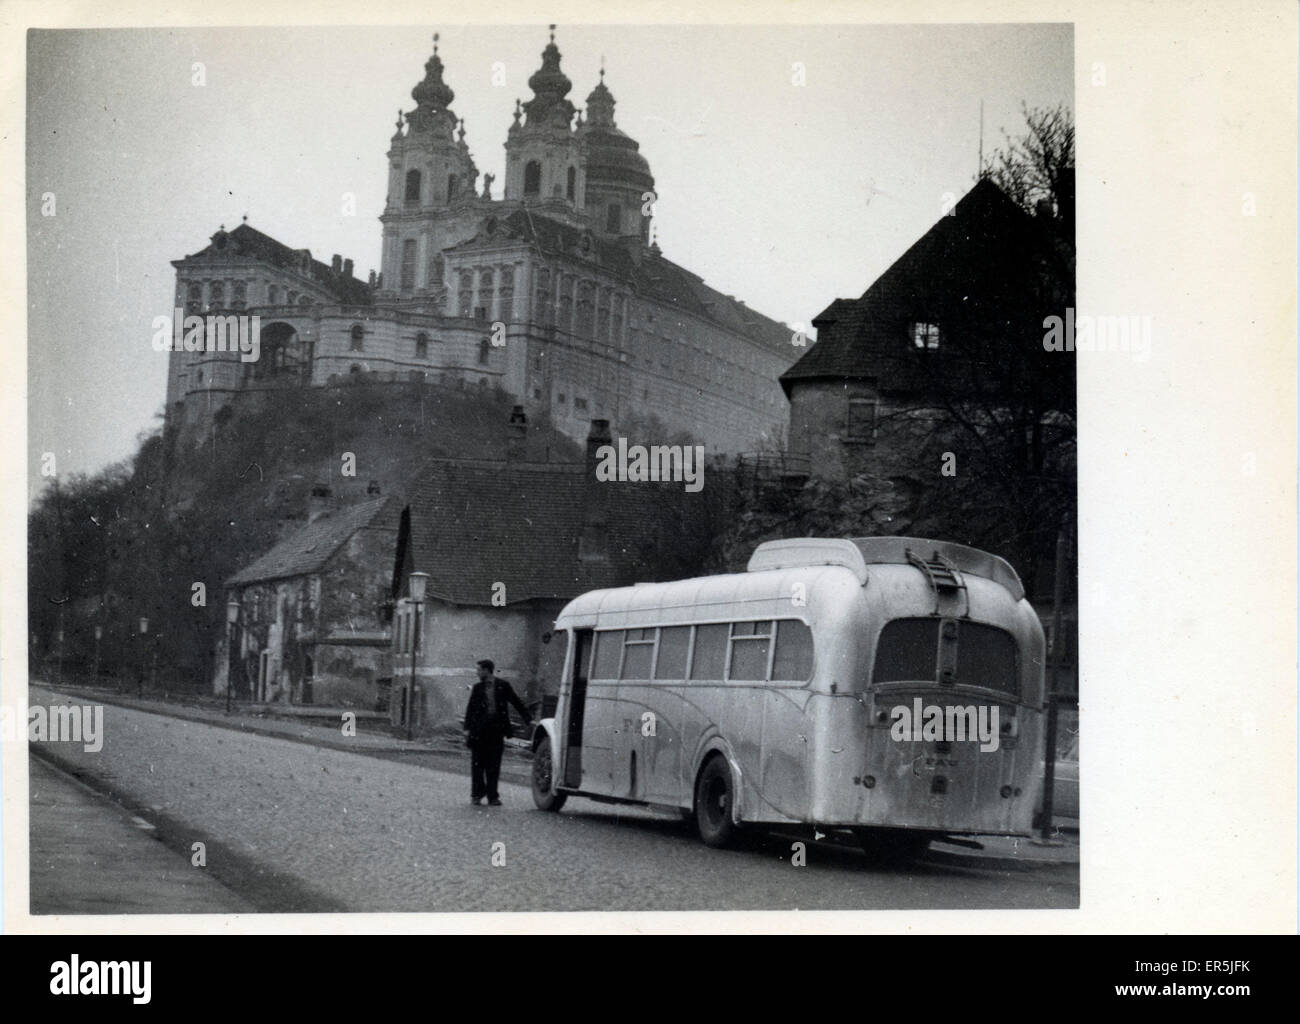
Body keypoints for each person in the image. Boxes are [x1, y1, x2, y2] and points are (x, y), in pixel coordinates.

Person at [463, 659, 533, 806]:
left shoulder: (503, 686)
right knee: (477, 765)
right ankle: (476, 795)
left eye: (479, 670)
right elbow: (471, 709)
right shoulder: (477, 688)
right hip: (479, 732)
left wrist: (528, 718)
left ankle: (492, 797)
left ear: (487, 670)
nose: (477, 672)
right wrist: (467, 729)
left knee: (494, 765)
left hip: (496, 730)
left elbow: (516, 701)